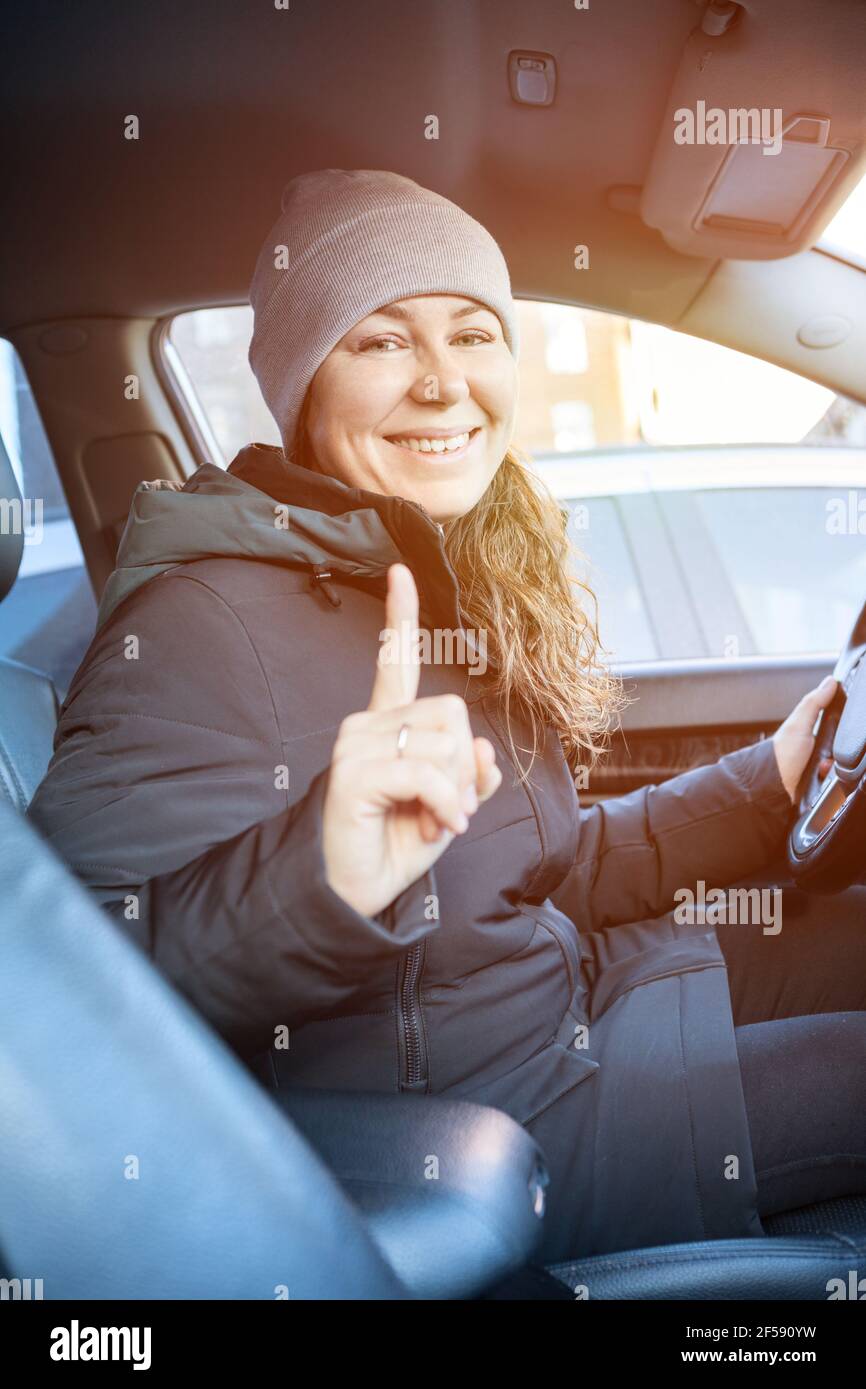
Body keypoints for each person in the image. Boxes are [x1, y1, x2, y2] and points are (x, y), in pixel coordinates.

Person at [28, 169, 866, 1262]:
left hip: (584, 1005)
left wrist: (763, 782)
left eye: (471, 333)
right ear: (301, 385)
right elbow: (59, 1007)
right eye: (378, 342)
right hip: (495, 1132)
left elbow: (545, 868)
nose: (440, 383)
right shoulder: (203, 619)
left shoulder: (424, 568)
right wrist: (313, 879)